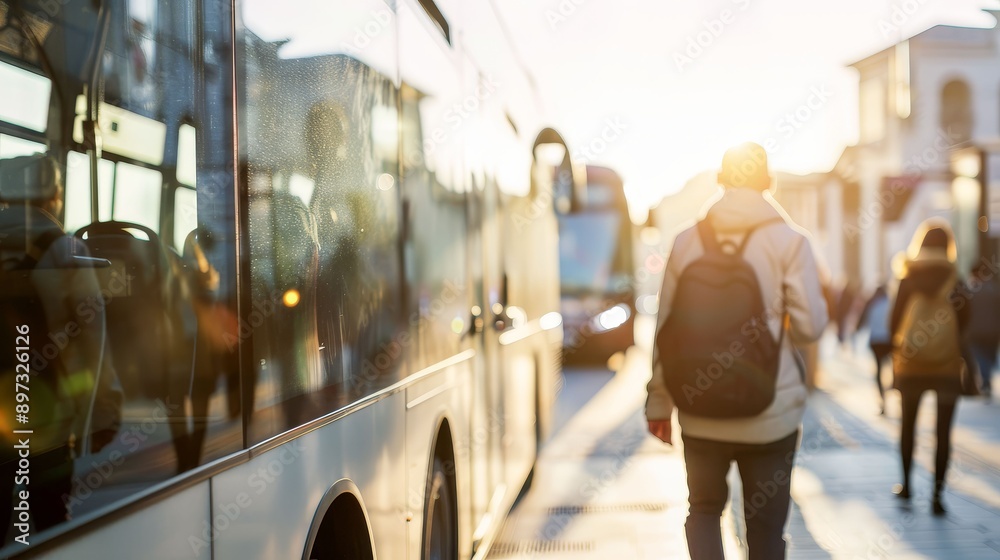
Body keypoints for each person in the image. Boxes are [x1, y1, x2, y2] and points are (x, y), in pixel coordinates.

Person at [646, 143, 828, 559]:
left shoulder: (686, 241)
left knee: (704, 511)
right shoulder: (790, 241)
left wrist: (659, 402)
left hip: (699, 410)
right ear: (767, 180)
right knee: (765, 530)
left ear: (722, 178)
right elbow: (811, 326)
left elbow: (666, 328)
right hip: (771, 414)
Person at [0, 154, 121, 540]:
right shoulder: (64, 250)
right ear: (54, 195)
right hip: (45, 412)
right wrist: (105, 408)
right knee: (51, 519)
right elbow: (91, 343)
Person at [889, 219, 966, 515]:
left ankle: (907, 486)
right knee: (943, 432)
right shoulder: (955, 279)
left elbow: (895, 320)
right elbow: (965, 321)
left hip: (911, 365)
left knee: (908, 426)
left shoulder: (908, 276)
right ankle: (937, 496)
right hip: (947, 365)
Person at [965, 262, 1000, 398]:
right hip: (993, 330)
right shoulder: (994, 290)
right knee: (989, 357)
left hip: (974, 331)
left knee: (980, 357)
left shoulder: (969, 291)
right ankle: (986, 379)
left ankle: (985, 380)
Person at [856, 284, 892, 413]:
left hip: (875, 341)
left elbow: (862, 322)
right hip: (888, 341)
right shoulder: (890, 303)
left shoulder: (872, 304)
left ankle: (883, 399)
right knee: (891, 369)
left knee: (879, 371)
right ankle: (891, 391)